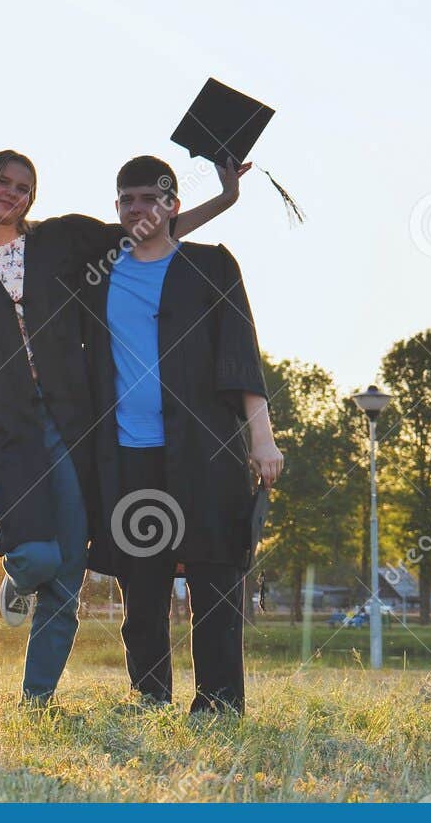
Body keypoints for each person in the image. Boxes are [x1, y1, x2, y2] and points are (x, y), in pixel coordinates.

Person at [0, 149, 245, 706]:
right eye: (4, 183)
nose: (13, 193)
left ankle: (36, 699)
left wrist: (224, 198)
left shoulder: (59, 241)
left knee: (71, 567)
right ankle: (20, 573)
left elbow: (150, 232)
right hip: (8, 432)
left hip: (71, 420)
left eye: (24, 186)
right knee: (38, 558)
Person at [80, 155, 282, 713]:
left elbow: (241, 356)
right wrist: (226, 199)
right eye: (127, 199)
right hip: (127, 455)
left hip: (206, 451)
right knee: (140, 587)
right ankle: (150, 698)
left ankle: (218, 702)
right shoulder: (101, 272)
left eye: (150, 197)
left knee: (216, 576)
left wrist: (262, 439)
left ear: (172, 203)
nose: (137, 208)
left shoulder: (211, 267)